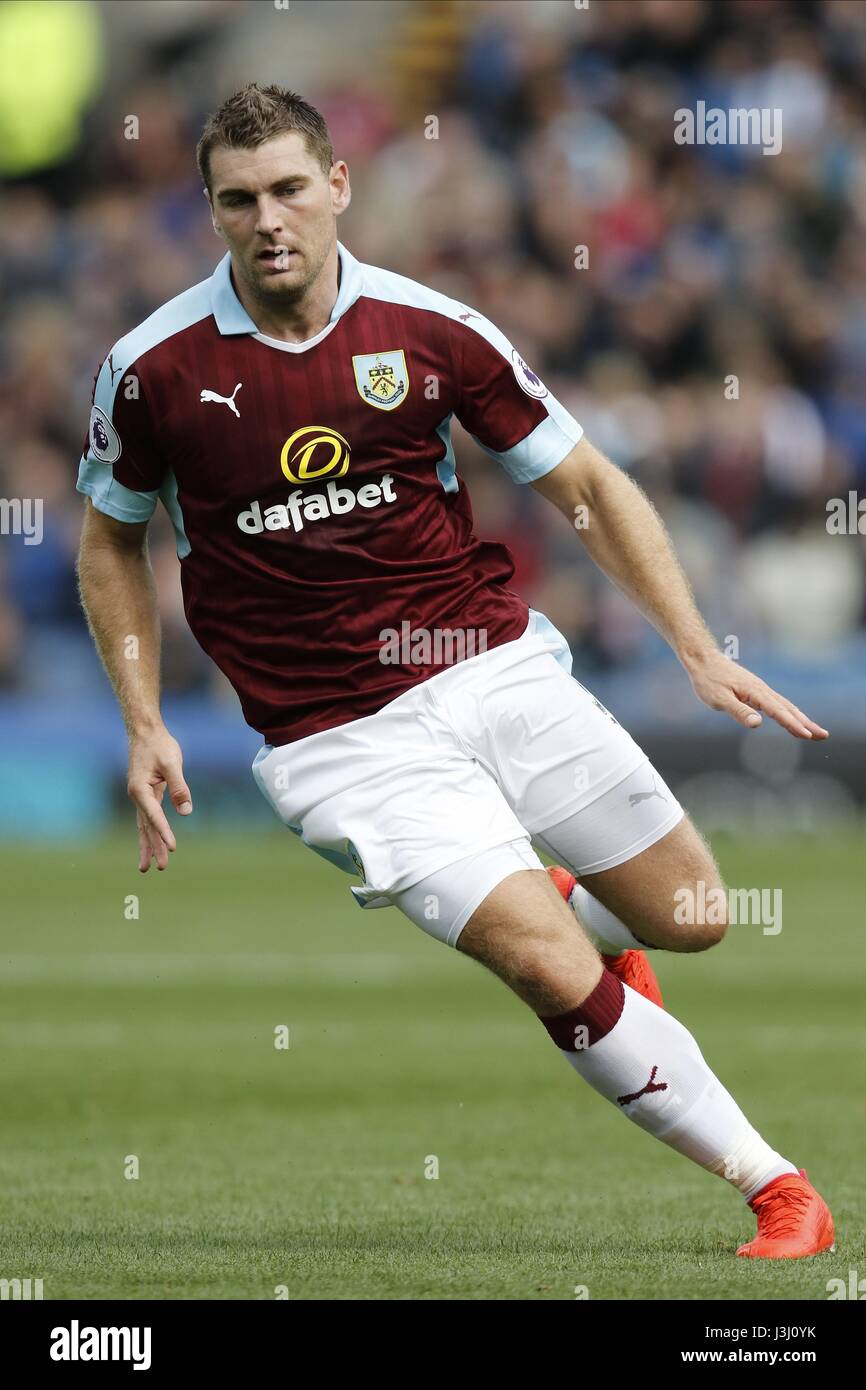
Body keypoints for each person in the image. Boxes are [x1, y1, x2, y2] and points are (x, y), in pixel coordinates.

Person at [76, 84, 834, 1259]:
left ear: (338, 187)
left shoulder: (434, 331)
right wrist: (141, 719)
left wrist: (694, 646)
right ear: (211, 212)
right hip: (338, 740)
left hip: (490, 667)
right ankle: (775, 1185)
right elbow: (107, 539)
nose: (267, 219)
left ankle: (578, 907)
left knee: (694, 919)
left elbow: (583, 483)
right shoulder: (152, 369)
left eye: (287, 189)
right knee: (544, 964)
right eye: (238, 200)